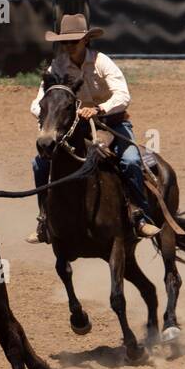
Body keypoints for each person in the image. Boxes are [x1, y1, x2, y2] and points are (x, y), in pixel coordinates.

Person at [26, 13, 160, 244]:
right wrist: (52, 116)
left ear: (85, 41)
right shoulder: (56, 67)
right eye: (64, 42)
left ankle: (139, 216)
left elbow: (123, 95)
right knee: (40, 164)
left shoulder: (102, 62)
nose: (68, 46)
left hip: (112, 123)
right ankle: (44, 220)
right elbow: (38, 102)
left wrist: (98, 109)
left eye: (73, 41)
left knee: (130, 161)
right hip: (75, 128)